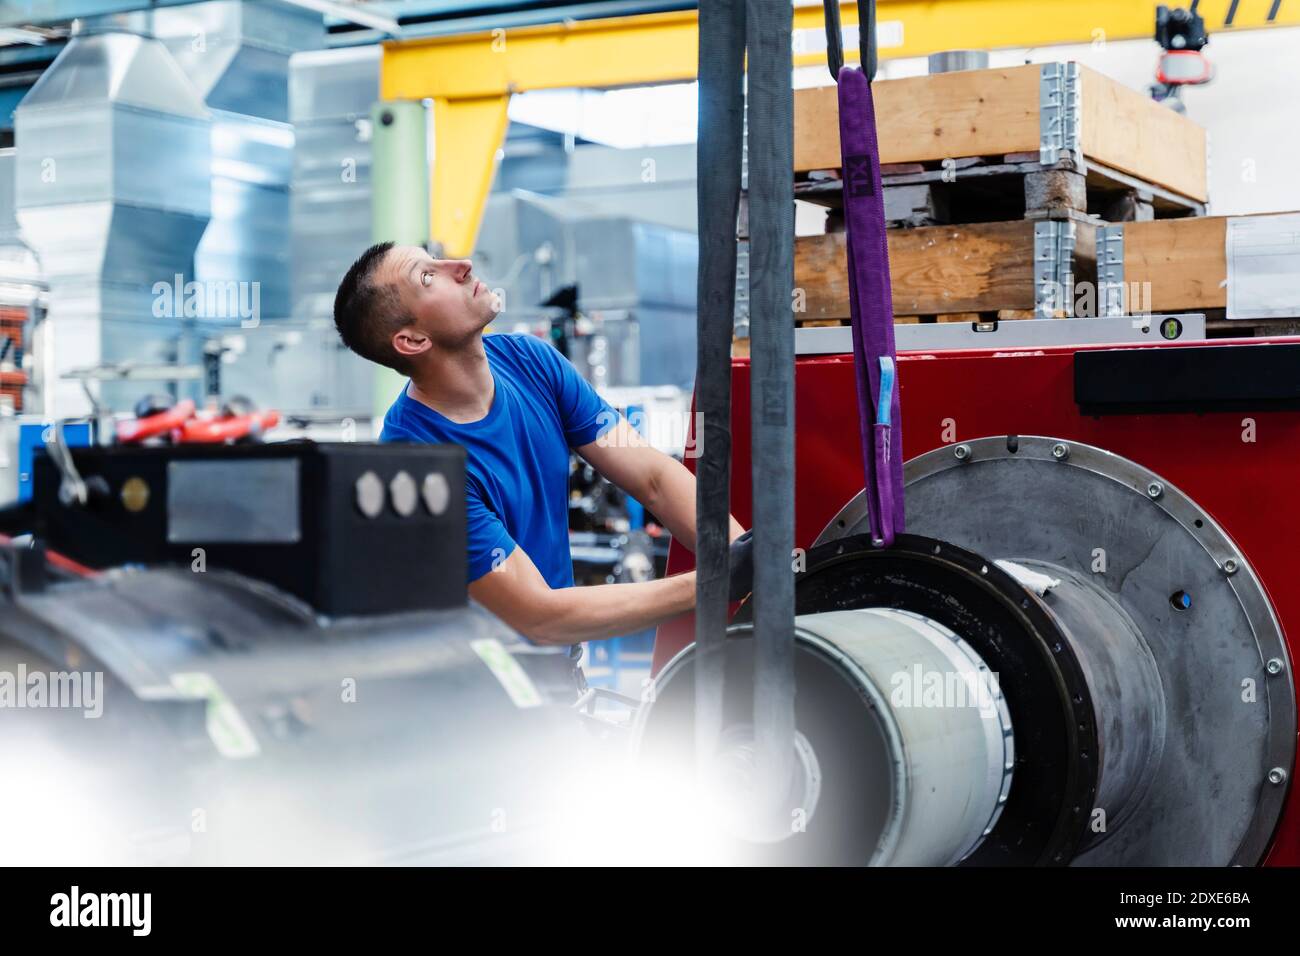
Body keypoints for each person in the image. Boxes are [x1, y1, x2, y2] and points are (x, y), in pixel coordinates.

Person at [333, 242, 750, 645]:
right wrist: (718, 580)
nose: (460, 265)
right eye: (428, 276)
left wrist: (745, 558)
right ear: (412, 340)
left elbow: (653, 476)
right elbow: (539, 617)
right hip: (481, 703)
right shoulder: (416, 461)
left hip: (559, 680)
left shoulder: (531, 361)